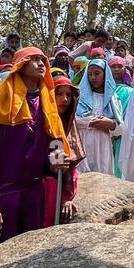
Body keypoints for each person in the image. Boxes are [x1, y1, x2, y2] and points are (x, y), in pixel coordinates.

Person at [0, 48, 73, 249]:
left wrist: (57, 162)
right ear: (19, 66)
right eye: (33, 60)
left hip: (33, 199)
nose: (41, 63)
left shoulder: (47, 104)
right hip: (1, 197)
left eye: (42, 60)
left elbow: (55, 143)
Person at [43, 67, 85, 222]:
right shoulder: (40, 120)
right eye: (59, 94)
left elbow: (71, 164)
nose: (65, 99)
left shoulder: (68, 122)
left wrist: (66, 196)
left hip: (60, 181)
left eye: (68, 95)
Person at [74, 58, 124, 176]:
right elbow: (72, 120)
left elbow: (121, 128)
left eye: (97, 73)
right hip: (83, 142)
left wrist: (111, 124)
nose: (93, 77)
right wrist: (91, 121)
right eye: (90, 74)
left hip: (103, 145)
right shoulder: (79, 97)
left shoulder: (113, 99)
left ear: (105, 74)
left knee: (103, 177)